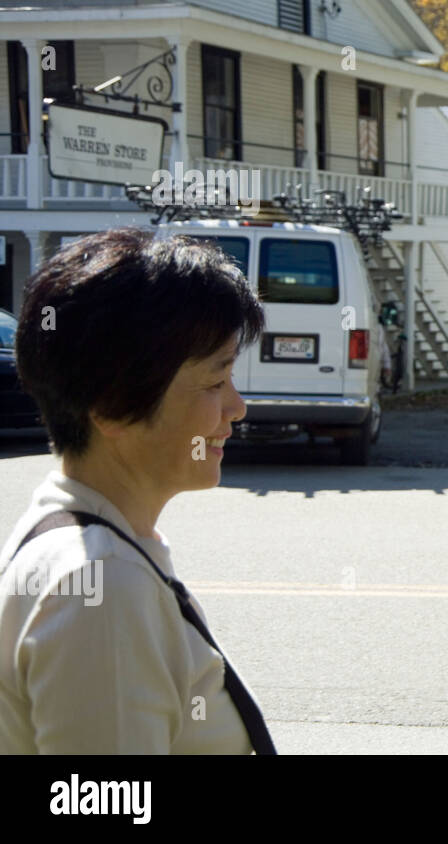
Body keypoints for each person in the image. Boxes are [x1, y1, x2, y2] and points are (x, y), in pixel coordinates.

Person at [0, 228, 273, 754]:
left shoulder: (86, 541)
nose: (237, 407)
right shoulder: (100, 590)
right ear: (111, 405)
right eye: (216, 383)